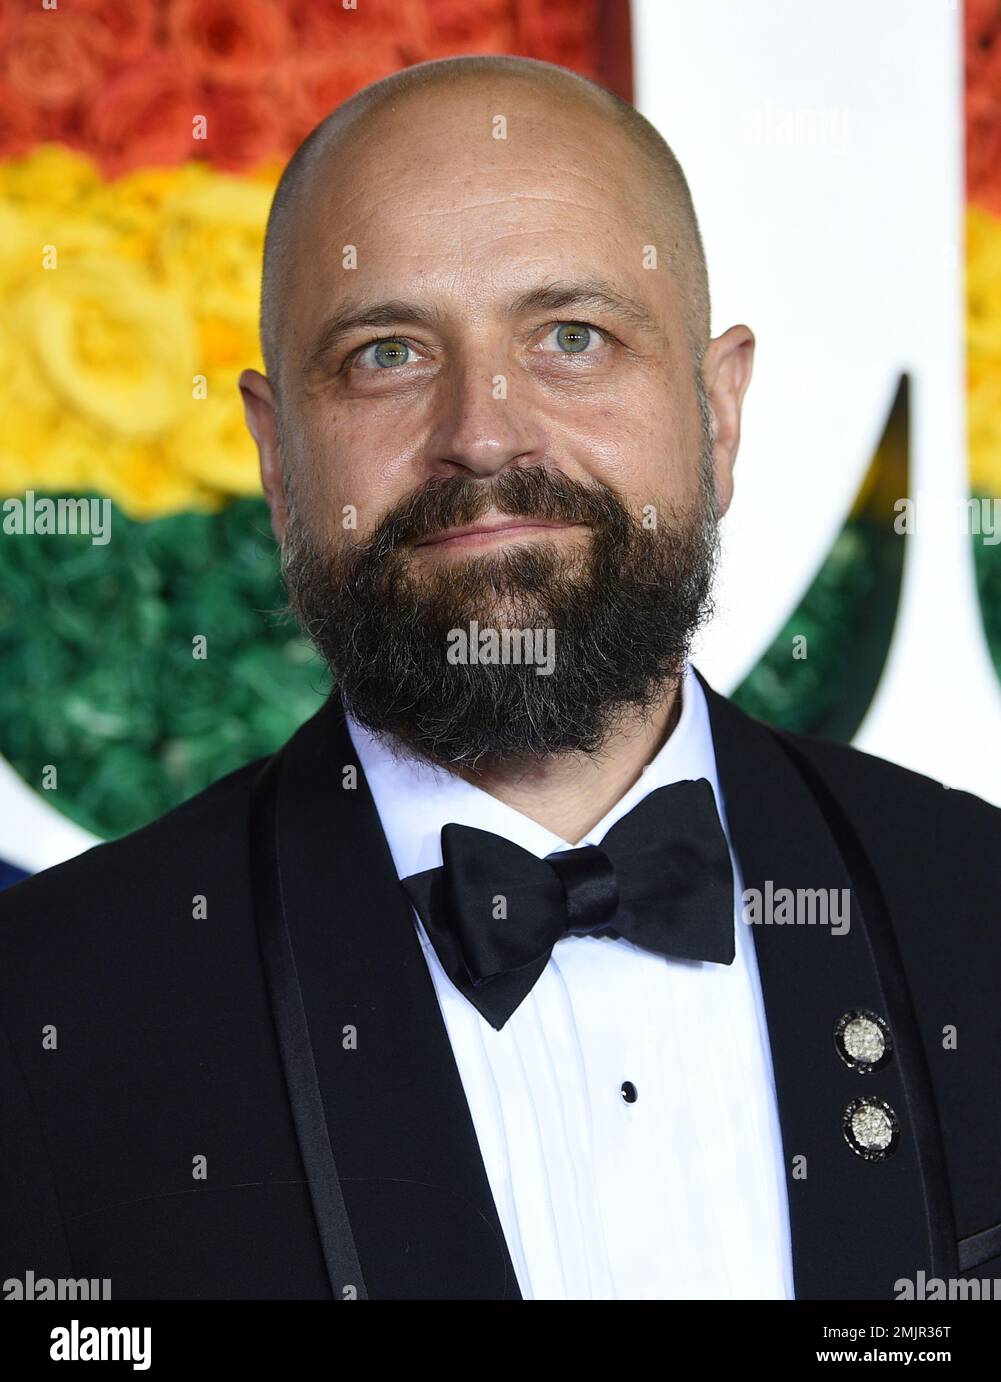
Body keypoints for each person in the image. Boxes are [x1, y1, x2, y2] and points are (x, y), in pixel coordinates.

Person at [1, 54, 999, 1302]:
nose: (482, 428)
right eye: (385, 354)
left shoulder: (978, 909)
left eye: (570, 336)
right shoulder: (46, 1015)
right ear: (275, 455)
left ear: (718, 410)